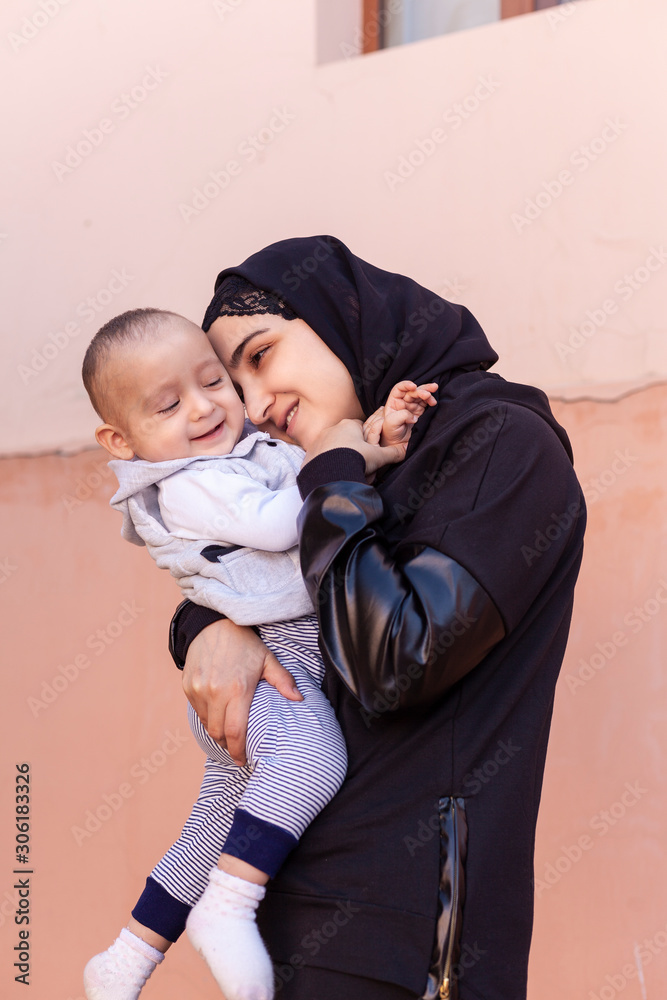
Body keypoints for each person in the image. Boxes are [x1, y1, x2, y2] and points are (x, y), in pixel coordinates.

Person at [170, 235, 587, 1000]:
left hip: (413, 944)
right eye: (236, 386)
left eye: (261, 357)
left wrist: (330, 474)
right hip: (288, 921)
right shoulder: (347, 469)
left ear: (342, 319)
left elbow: (394, 662)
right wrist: (204, 629)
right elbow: (256, 589)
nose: (256, 407)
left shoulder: (499, 445)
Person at [79, 306, 436, 1000]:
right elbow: (282, 524)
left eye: (212, 381)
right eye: (168, 403)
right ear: (120, 439)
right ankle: (229, 905)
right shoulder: (189, 483)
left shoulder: (244, 453)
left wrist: (372, 435)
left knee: (213, 824)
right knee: (313, 760)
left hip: (264, 671)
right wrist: (338, 458)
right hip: (275, 673)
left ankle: (126, 957)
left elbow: (314, 471)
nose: (204, 406)